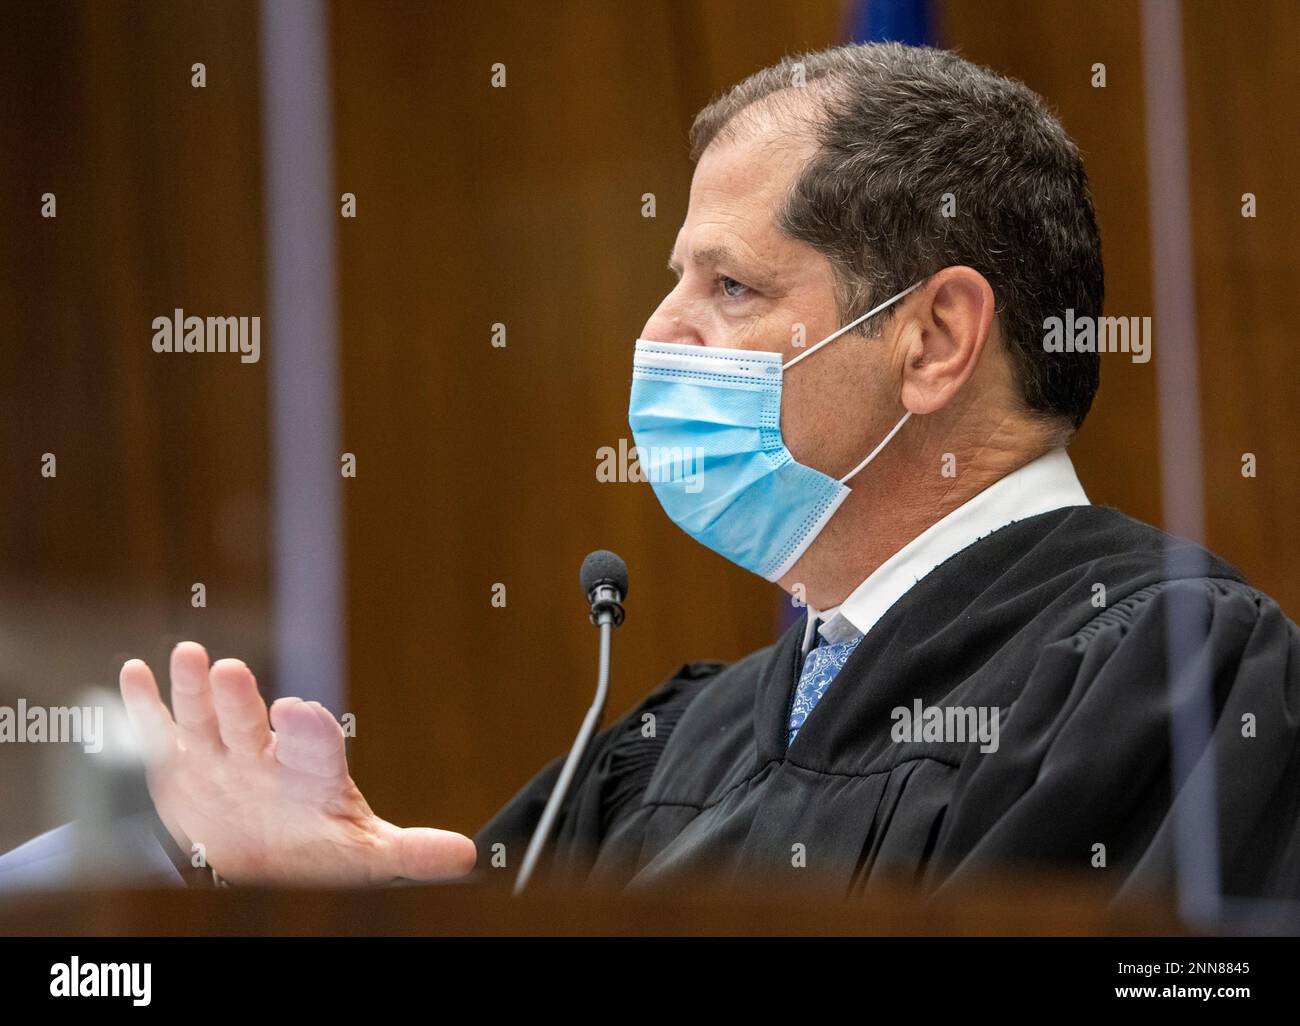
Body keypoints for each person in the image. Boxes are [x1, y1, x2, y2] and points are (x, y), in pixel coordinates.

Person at [114, 43, 1300, 900]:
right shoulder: (685, 738)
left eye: (728, 287)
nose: (659, 331)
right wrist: (332, 900)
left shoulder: (1168, 677)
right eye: (675, 279)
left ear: (933, 338)